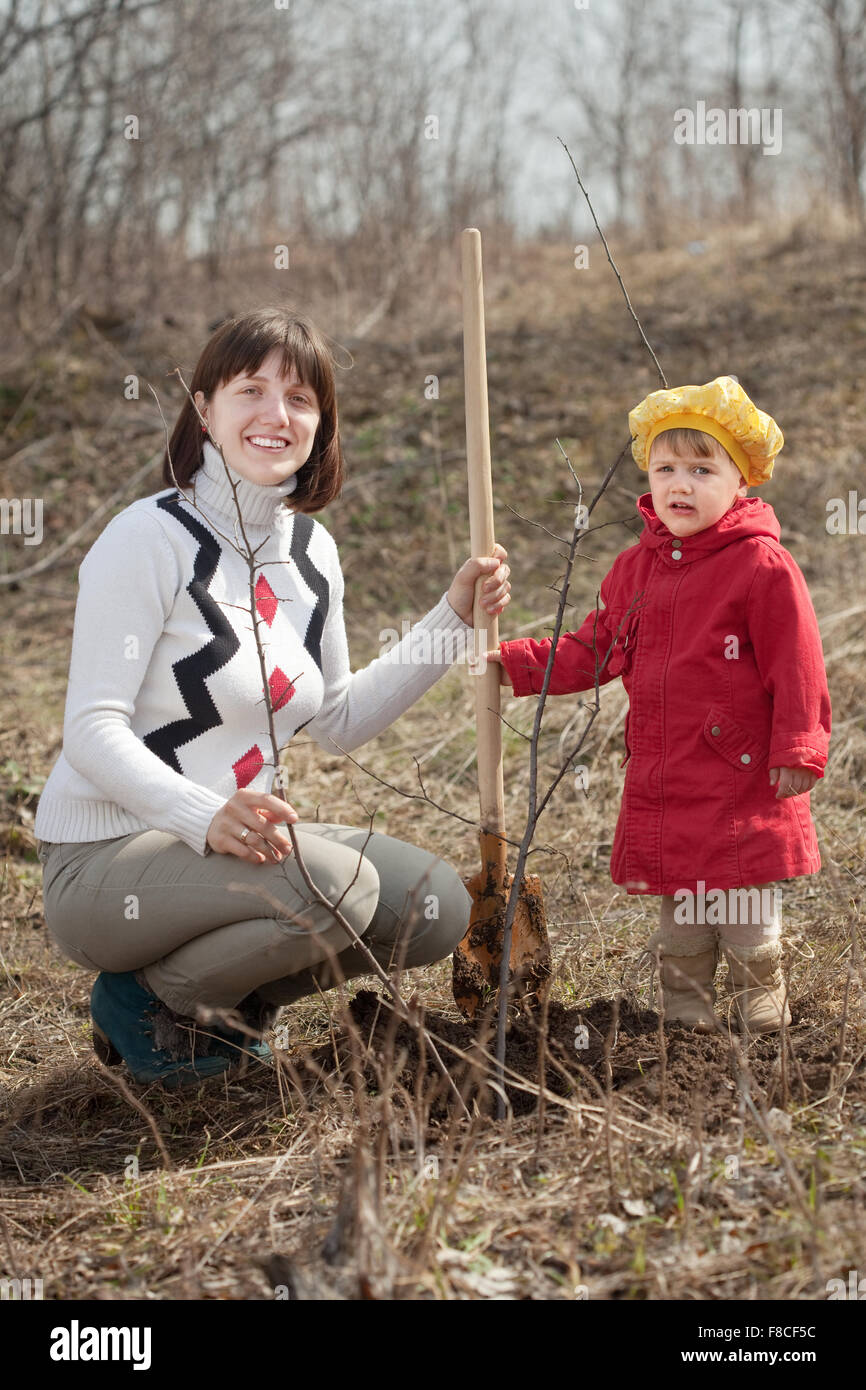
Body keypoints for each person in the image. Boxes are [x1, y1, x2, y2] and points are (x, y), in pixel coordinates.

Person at [34, 307, 512, 1088]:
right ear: (203, 409)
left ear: (321, 423)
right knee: (341, 891)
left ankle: (230, 1001)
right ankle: (150, 1003)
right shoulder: (146, 538)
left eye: (299, 397)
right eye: (249, 390)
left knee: (433, 907)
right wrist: (203, 812)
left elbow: (340, 719)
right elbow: (92, 729)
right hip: (105, 861)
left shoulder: (311, 551)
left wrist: (453, 618)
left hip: (224, 849)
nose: (274, 415)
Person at [487, 376, 831, 1035]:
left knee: (743, 894)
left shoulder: (761, 565)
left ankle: (762, 1000)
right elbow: (595, 649)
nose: (682, 483)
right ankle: (687, 1014)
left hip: (744, 769)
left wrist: (800, 747)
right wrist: (519, 663)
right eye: (667, 467)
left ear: (742, 480)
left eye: (703, 469)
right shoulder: (634, 570)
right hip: (670, 770)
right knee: (684, 903)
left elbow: (799, 663)